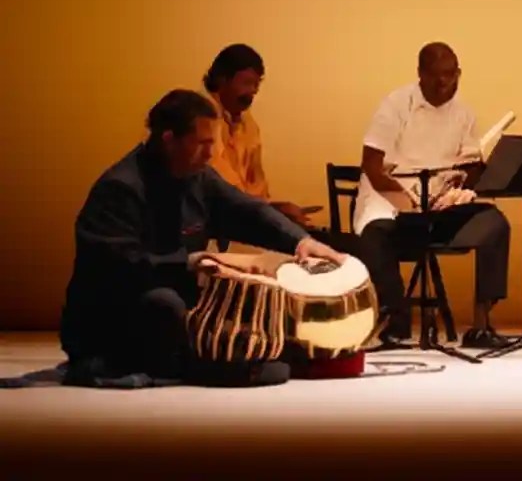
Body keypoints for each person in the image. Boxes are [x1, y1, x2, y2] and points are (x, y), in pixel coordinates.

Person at [59, 90, 344, 387]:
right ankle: (197, 367)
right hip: (109, 319)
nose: (210, 153)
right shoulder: (121, 188)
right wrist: (193, 261)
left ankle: (214, 360)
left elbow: (246, 210)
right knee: (164, 304)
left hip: (179, 301)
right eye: (202, 143)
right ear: (169, 139)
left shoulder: (198, 178)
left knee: (252, 301)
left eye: (213, 143)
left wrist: (301, 242)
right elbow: (119, 265)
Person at [349, 42, 512, 349]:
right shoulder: (395, 105)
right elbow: (371, 165)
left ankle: (481, 325)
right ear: (420, 74)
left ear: (459, 73)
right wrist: (406, 198)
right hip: (393, 206)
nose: (443, 82)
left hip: (437, 209)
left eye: (450, 74)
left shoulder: (463, 112)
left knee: (494, 223)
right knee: (375, 234)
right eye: (435, 75)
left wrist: (463, 188)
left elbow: (471, 166)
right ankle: (395, 321)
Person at [202, 43, 314, 228]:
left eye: (257, 84)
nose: (253, 91)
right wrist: (272, 211)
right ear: (222, 80)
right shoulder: (202, 118)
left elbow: (256, 184)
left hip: (241, 220)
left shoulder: (247, 122)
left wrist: (273, 210)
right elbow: (220, 186)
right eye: (247, 83)